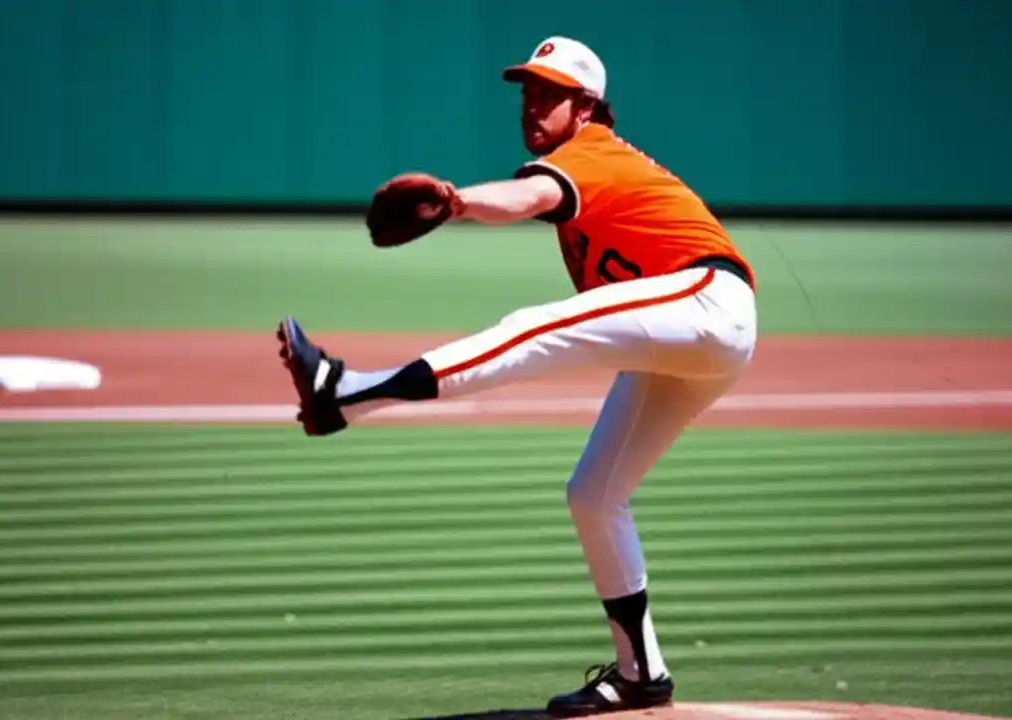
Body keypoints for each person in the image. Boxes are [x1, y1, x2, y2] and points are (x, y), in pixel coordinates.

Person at [276, 36, 758, 717]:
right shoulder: (582, 160)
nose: (533, 104)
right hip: (697, 338)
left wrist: (454, 200)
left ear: (586, 107)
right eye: (528, 91)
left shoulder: (591, 153)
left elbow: (529, 194)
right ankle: (640, 671)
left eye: (551, 93)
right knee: (594, 493)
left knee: (534, 326)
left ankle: (345, 392)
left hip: (706, 299)